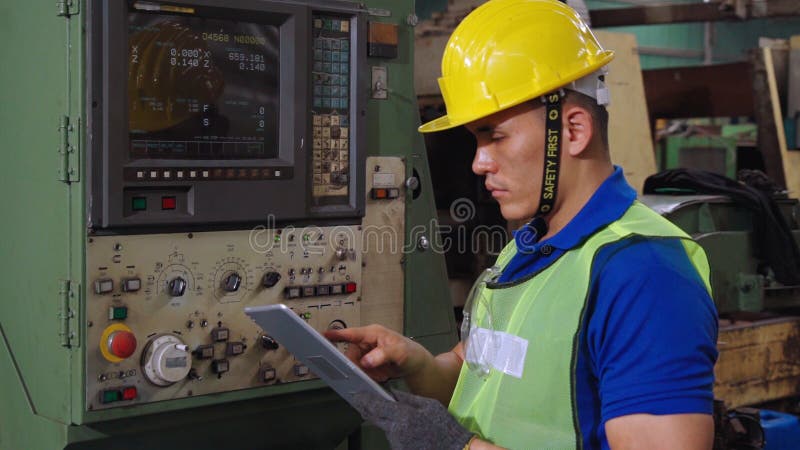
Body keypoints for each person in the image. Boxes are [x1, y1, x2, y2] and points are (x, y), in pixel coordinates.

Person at [325, 0, 719, 448]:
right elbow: (486, 379)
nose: (478, 162)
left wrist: (460, 447)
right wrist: (418, 365)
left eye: (494, 135)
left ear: (573, 130)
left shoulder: (644, 274)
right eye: (475, 139)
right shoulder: (531, 246)